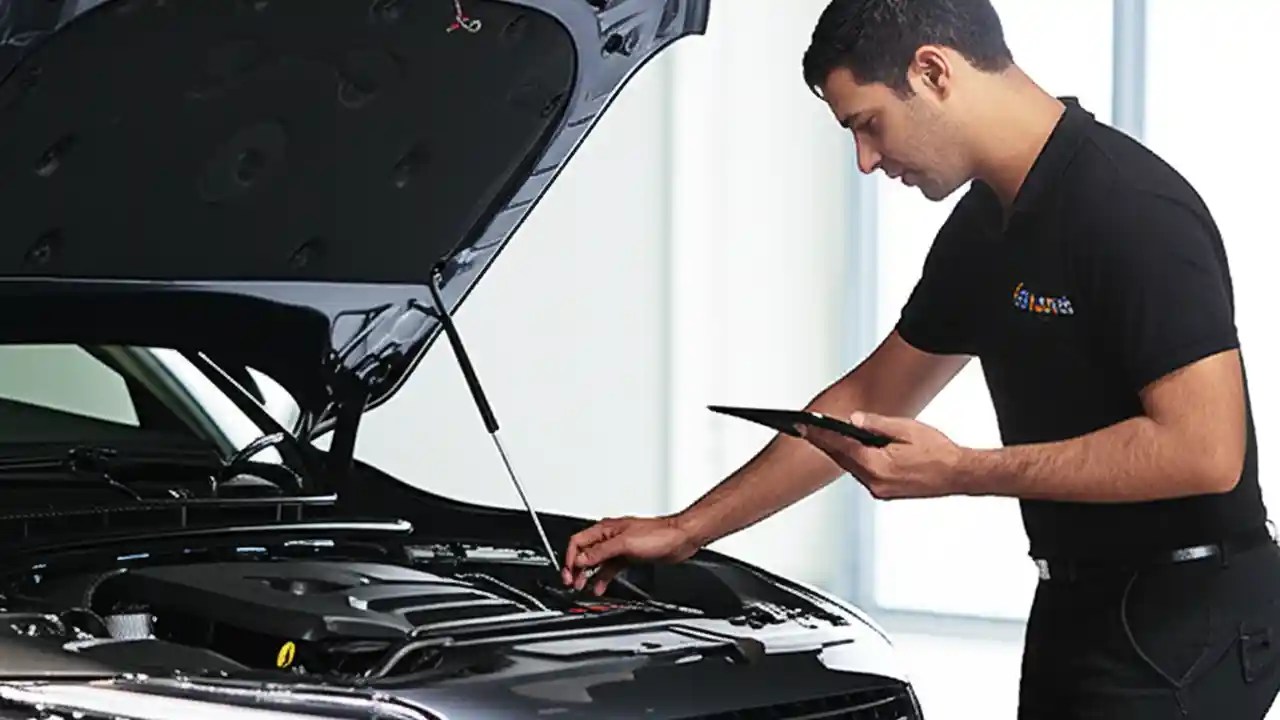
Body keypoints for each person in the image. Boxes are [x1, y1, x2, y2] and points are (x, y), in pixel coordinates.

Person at [561, 0, 1280, 717]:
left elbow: (1204, 450)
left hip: (1192, 620)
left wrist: (960, 471)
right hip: (1073, 603)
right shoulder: (985, 227)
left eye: (867, 124)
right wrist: (688, 529)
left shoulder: (1131, 208)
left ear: (932, 71)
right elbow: (866, 399)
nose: (867, 161)